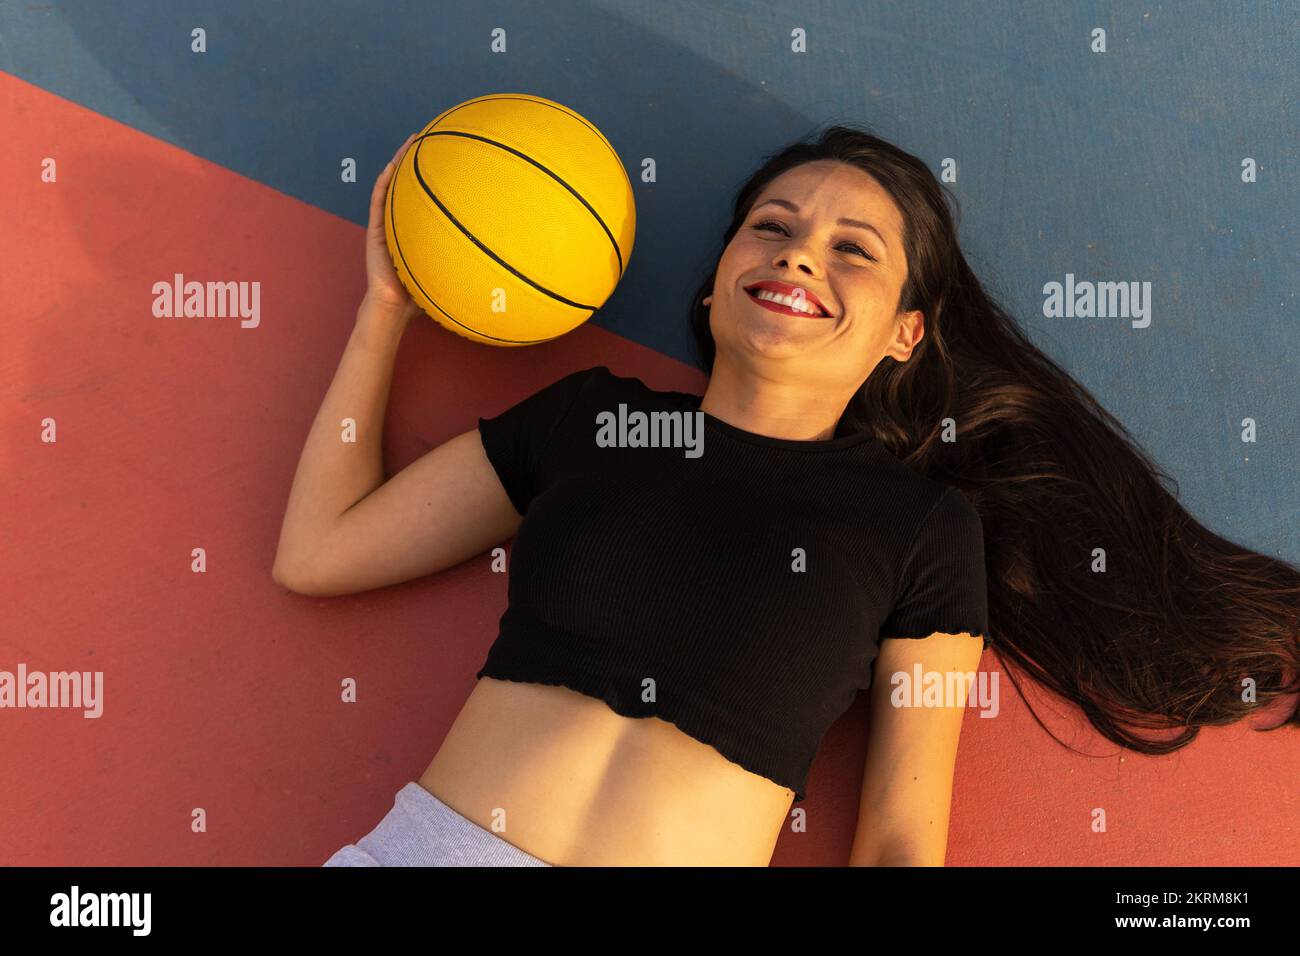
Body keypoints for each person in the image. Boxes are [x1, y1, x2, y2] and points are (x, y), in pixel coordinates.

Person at [277, 125, 1300, 867]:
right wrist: (385, 308)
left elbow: (901, 833)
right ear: (715, 281)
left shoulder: (922, 531)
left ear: (905, 332)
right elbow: (318, 554)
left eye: (854, 248)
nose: (800, 251)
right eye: (772, 225)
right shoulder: (589, 418)